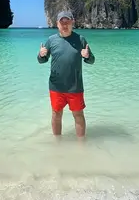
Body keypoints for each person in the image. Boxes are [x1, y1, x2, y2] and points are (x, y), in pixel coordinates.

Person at [37, 10, 95, 138]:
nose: (64, 25)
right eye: (61, 22)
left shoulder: (80, 39)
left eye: (67, 22)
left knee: (78, 115)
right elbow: (42, 60)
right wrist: (41, 55)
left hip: (75, 87)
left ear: (72, 22)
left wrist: (87, 56)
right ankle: (57, 143)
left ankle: (81, 144)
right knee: (56, 114)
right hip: (56, 87)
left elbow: (92, 61)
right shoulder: (51, 40)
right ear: (57, 24)